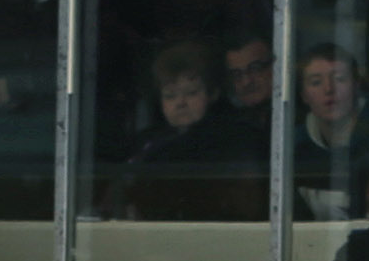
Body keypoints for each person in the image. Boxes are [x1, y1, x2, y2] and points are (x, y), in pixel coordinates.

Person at [109, 44, 261, 221]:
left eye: (191, 93)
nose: (180, 102)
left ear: (212, 94)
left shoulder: (233, 140)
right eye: (170, 95)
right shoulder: (144, 142)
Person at [293, 45, 369, 222]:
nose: (328, 89)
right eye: (316, 82)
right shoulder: (293, 144)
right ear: (303, 95)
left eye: (339, 79)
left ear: (356, 85)